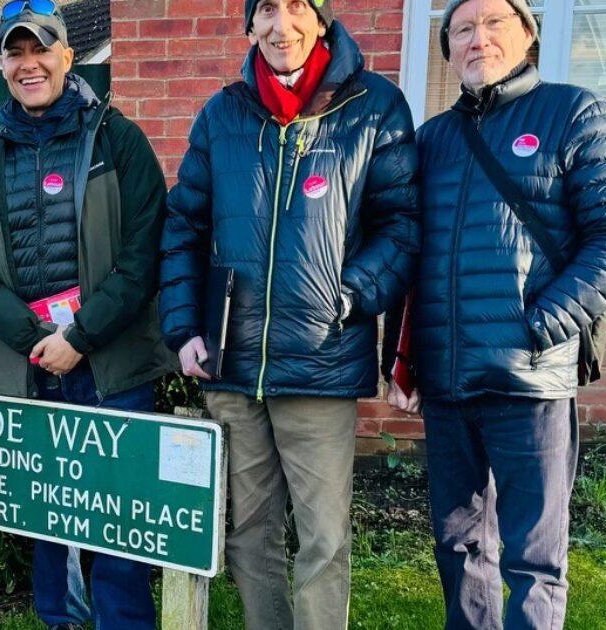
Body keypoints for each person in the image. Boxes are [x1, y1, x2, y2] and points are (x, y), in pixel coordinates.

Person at [383, 0, 606, 626]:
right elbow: (412, 255)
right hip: (449, 383)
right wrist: (405, 362)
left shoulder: (572, 113)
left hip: (530, 379)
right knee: (460, 547)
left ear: (528, 33)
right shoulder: (433, 141)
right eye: (463, 30)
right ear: (449, 49)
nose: (478, 40)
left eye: (493, 23)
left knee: (534, 559)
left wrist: (545, 324)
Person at [159, 1, 420, 627]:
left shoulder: (374, 107)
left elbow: (402, 225)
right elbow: (184, 226)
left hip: (322, 362)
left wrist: (349, 293)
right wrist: (184, 327)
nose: (283, 25)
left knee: (323, 541)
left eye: (299, 7)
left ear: (323, 19)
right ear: (250, 25)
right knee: (249, 534)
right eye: (266, 10)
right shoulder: (222, 114)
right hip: (232, 364)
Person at [0, 2, 175, 629]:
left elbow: (144, 252)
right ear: (0, 66)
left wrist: (80, 335)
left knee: (120, 520)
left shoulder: (117, 140)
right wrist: (35, 338)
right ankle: (62, 621)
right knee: (47, 517)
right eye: (14, 53)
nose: (29, 64)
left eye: (40, 50)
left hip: (113, 366)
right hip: (32, 368)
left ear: (67, 57)